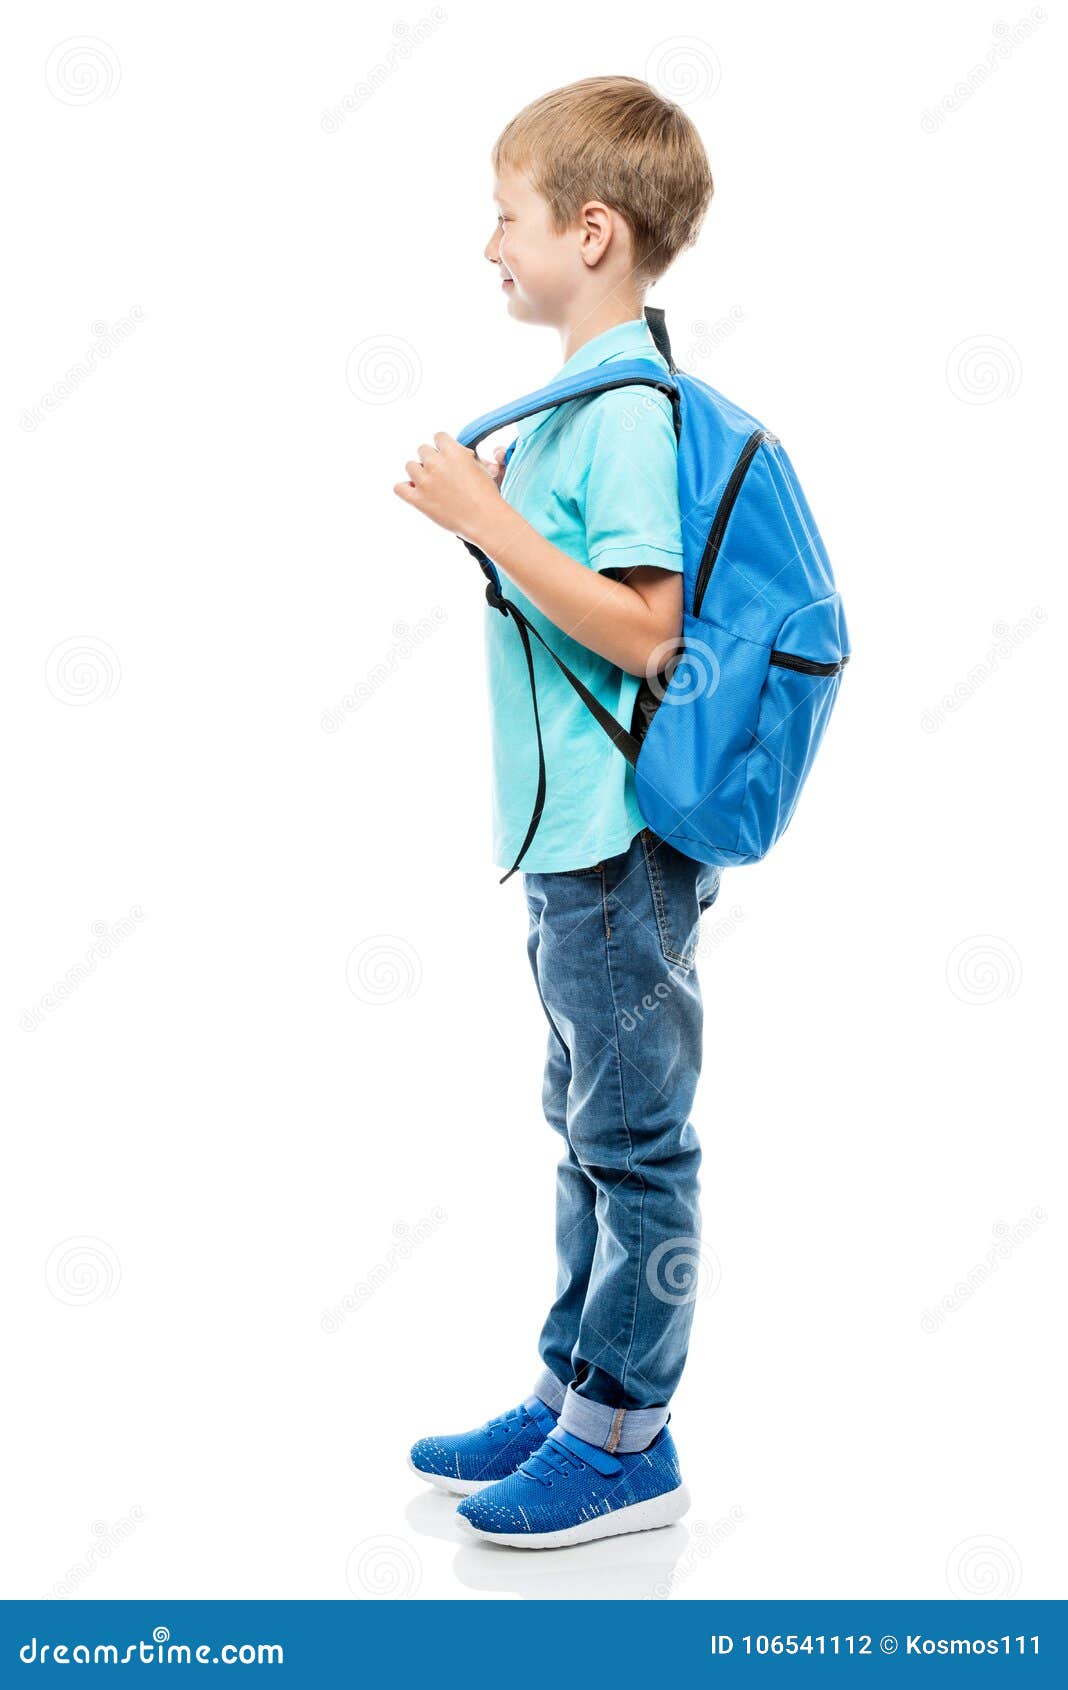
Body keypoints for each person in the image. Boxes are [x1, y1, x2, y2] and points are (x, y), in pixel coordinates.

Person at [393, 75, 720, 1549]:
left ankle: (625, 1442)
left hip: (622, 841)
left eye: (506, 218)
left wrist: (486, 518)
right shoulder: (580, 403)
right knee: (584, 1121)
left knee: (634, 1137)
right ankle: (575, 1380)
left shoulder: (628, 411)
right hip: (572, 839)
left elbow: (648, 630)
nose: (489, 248)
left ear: (592, 232)